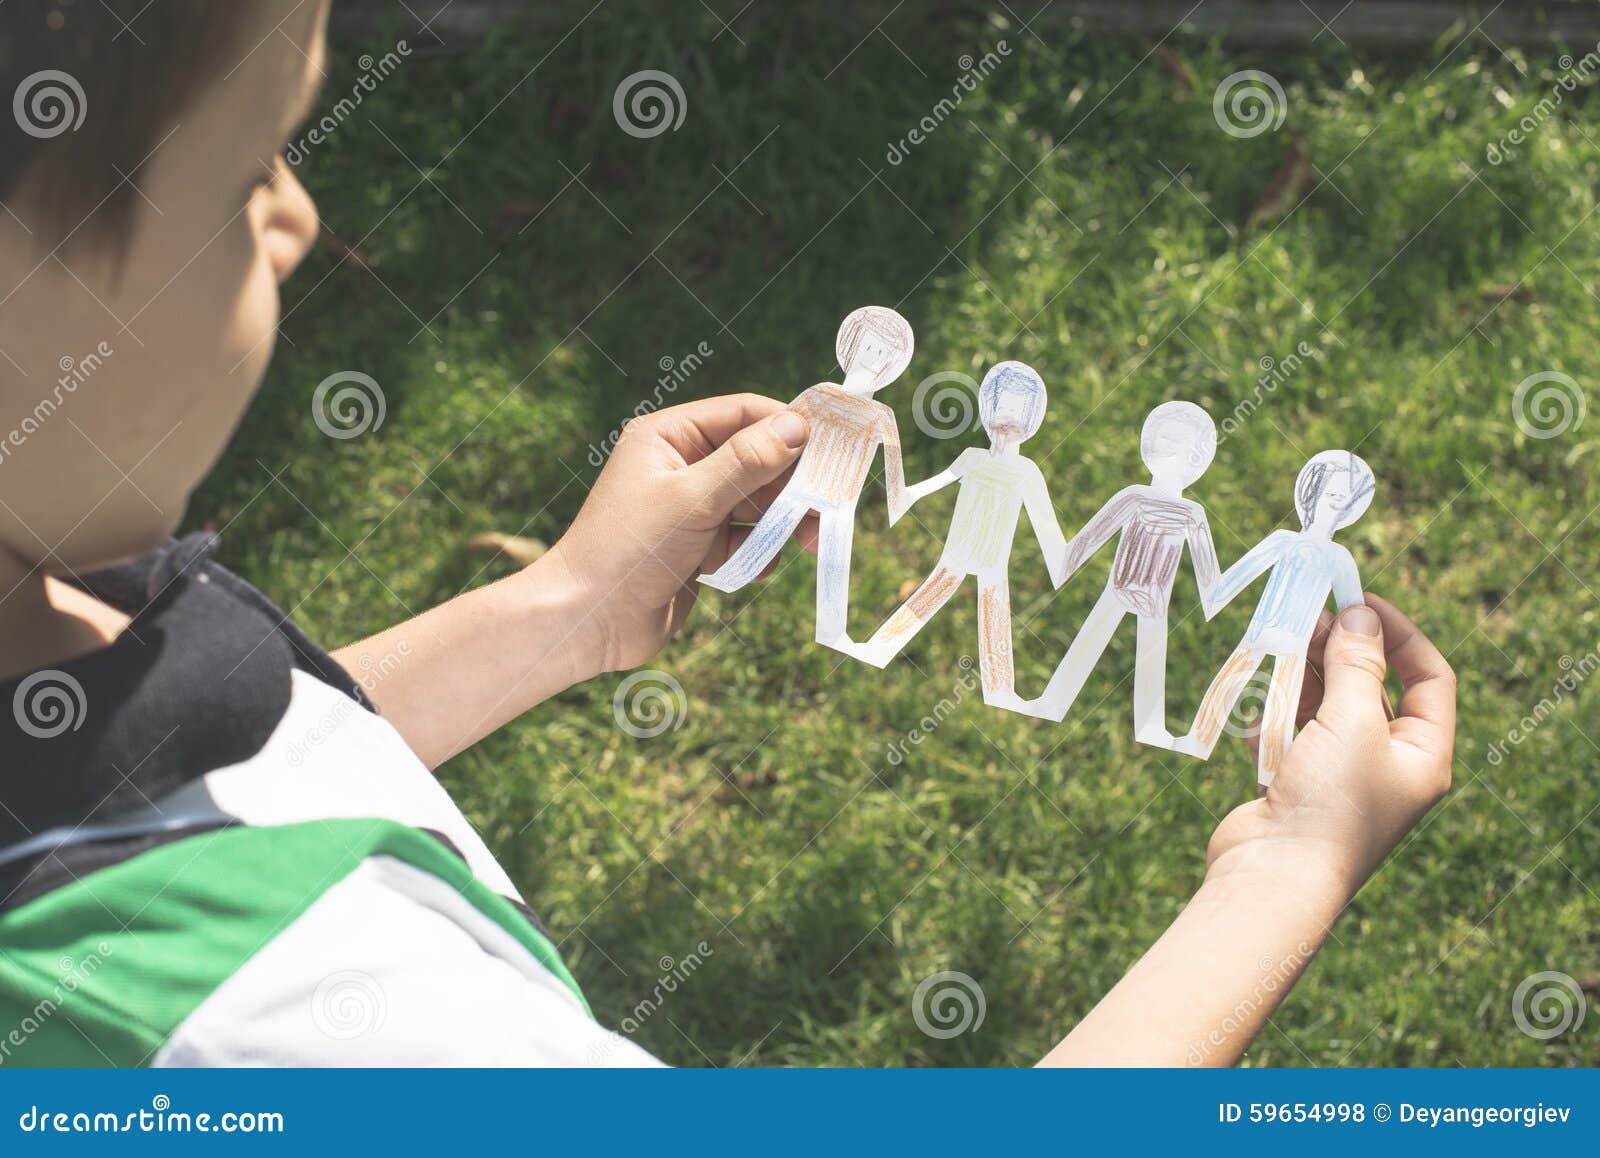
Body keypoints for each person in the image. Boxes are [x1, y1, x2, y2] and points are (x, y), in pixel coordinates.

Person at [0, 1, 1453, 1067]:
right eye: (251, 164)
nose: (299, 217)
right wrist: (1288, 868)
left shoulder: (63, 603)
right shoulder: (291, 1023)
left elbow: (216, 783)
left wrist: (562, 609)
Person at [834, 361, 1065, 709]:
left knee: (995, 616)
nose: (1008, 419)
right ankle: (880, 647)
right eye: (1003, 407)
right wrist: (903, 493)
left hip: (992, 556)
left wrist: (1063, 558)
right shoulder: (972, 457)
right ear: (989, 409)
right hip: (959, 547)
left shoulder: (1026, 472)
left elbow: (1045, 522)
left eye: (1018, 410)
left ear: (1031, 417)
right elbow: (936, 482)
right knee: (927, 597)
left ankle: (1000, 689)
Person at [698, 305, 913, 644]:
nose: (871, 359)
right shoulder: (822, 393)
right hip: (801, 484)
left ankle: (833, 631)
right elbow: (781, 419)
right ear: (851, 348)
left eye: (881, 354)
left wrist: (897, 495)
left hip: (843, 499)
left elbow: (894, 457)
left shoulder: (880, 416)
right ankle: (728, 576)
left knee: (835, 562)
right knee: (768, 533)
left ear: (891, 365)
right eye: (868, 348)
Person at [1017, 402, 1221, 744]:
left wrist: (1219, 596)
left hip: (1156, 598)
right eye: (1165, 439)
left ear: (1196, 457)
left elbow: (1208, 569)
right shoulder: (1135, 496)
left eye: (1180, 443)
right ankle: (1053, 702)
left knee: (1152, 657)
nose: (1170, 448)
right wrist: (1065, 562)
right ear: (1150, 444)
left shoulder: (1191, 514)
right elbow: (1094, 534)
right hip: (1118, 586)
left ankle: (1151, 728)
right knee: (1088, 640)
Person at [1173, 450, 1376, 786]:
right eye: (1329, 493)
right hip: (1260, 630)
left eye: (1343, 498)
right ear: (1312, 494)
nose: (1334, 503)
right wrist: (1212, 586)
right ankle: (1199, 737)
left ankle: (1272, 771)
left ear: (1351, 508)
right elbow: (1237, 577)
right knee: (1227, 682)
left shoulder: (1340, 558)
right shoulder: (1283, 541)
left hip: (1297, 642)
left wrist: (1353, 644)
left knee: (1282, 704)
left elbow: (1352, 610)